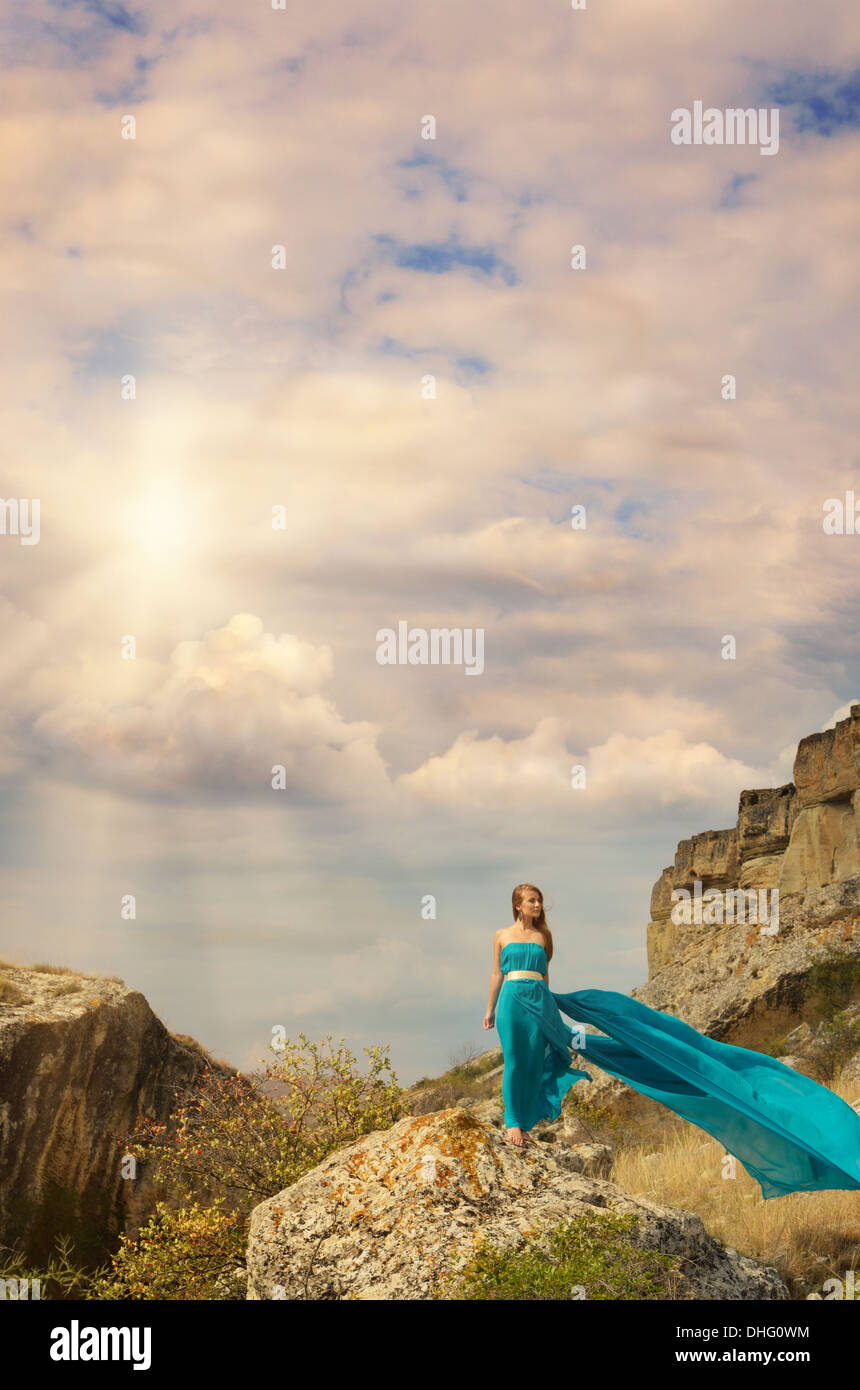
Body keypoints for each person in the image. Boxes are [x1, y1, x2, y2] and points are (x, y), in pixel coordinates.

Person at [483, 882, 860, 1198]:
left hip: (540, 1001)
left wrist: (556, 1006)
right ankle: (514, 1122)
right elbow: (497, 977)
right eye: (531, 900)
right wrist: (489, 1009)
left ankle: (526, 1123)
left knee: (535, 1060)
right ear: (518, 904)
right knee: (516, 1059)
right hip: (510, 1004)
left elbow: (545, 980)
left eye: (539, 900)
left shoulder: (543, 937)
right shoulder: (502, 935)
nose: (537, 905)